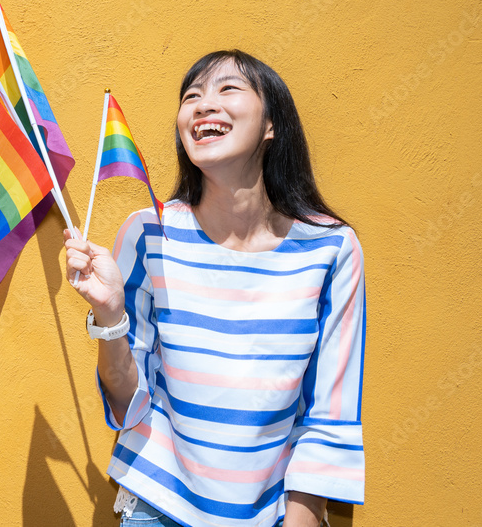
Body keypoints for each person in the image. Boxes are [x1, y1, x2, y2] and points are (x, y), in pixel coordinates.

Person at [64, 50, 365, 527]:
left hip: (275, 513)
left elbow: (330, 413)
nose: (204, 105)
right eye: (192, 96)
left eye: (228, 89)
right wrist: (109, 319)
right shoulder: (147, 233)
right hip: (156, 505)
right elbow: (127, 405)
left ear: (271, 125)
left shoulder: (331, 248)